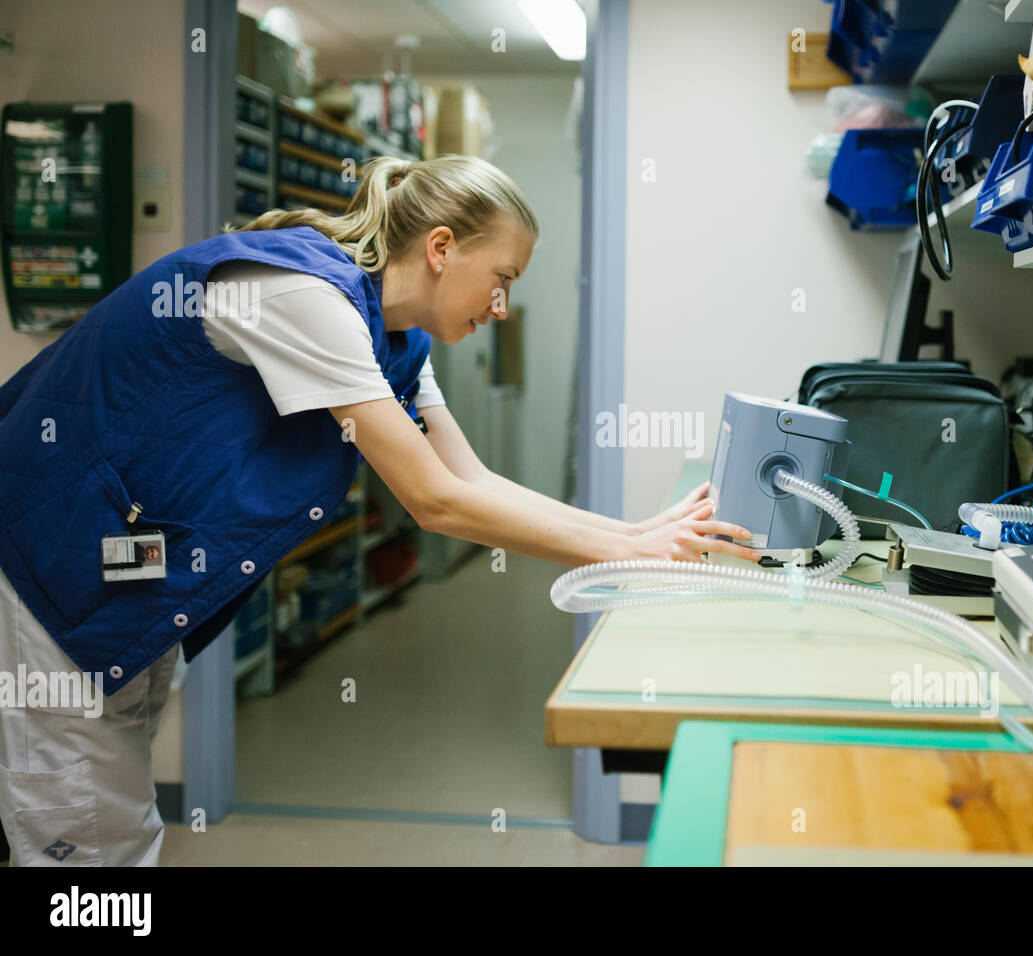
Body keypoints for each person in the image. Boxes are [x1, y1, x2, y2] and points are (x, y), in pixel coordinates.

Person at [0, 154, 762, 866]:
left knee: (93, 809)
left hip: (120, 580)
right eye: (502, 278)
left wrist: (639, 536)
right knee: (86, 842)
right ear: (440, 248)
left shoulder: (396, 342)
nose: (503, 307)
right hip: (45, 557)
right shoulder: (305, 297)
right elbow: (433, 502)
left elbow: (471, 478)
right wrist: (631, 553)